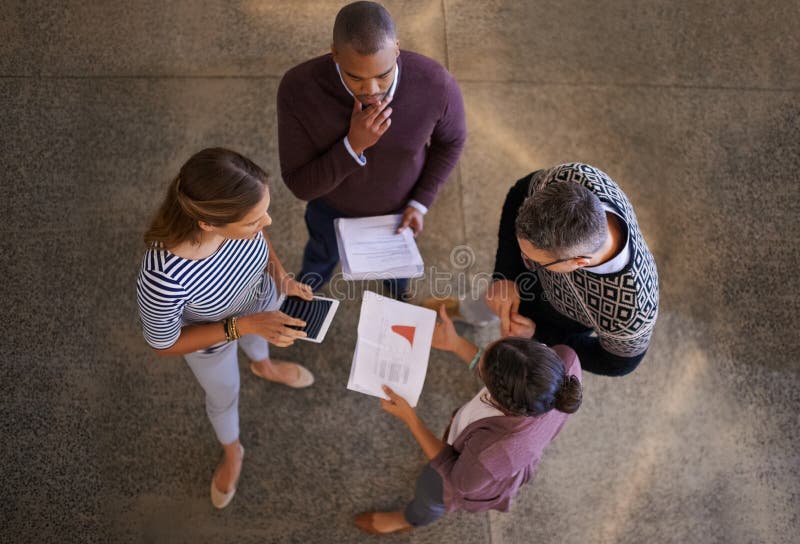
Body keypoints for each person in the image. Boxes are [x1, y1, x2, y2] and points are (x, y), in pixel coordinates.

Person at [136, 148, 316, 509]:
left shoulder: (241, 221)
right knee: (224, 397)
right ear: (208, 224)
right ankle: (233, 452)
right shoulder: (163, 278)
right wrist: (245, 325)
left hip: (260, 304)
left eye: (264, 210)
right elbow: (163, 344)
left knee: (262, 340)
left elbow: (261, 242)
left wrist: (280, 277)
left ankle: (263, 366)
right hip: (211, 342)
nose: (267, 223)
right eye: (253, 221)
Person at [277, 0, 466, 298]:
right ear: (334, 54)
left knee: (398, 280)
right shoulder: (298, 89)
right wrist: (353, 145)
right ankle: (304, 296)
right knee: (319, 260)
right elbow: (300, 184)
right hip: (331, 208)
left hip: (400, 209)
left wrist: (420, 202)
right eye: (356, 77)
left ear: (397, 49)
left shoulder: (436, 84)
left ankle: (397, 294)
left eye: (383, 74)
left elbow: (451, 142)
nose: (372, 91)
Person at [354, 305, 582, 534]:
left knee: (431, 492)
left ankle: (410, 519)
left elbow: (455, 478)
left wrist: (410, 418)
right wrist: (455, 343)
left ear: (499, 399)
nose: (480, 357)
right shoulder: (565, 362)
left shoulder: (495, 451)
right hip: (489, 457)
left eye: (483, 369)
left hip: (465, 478)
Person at [486, 162, 659, 376]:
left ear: (579, 262)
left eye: (534, 261)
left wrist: (538, 333)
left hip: (557, 321)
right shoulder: (569, 178)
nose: (525, 263)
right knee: (485, 304)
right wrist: (505, 275)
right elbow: (518, 193)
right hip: (515, 290)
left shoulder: (632, 313)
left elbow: (616, 364)